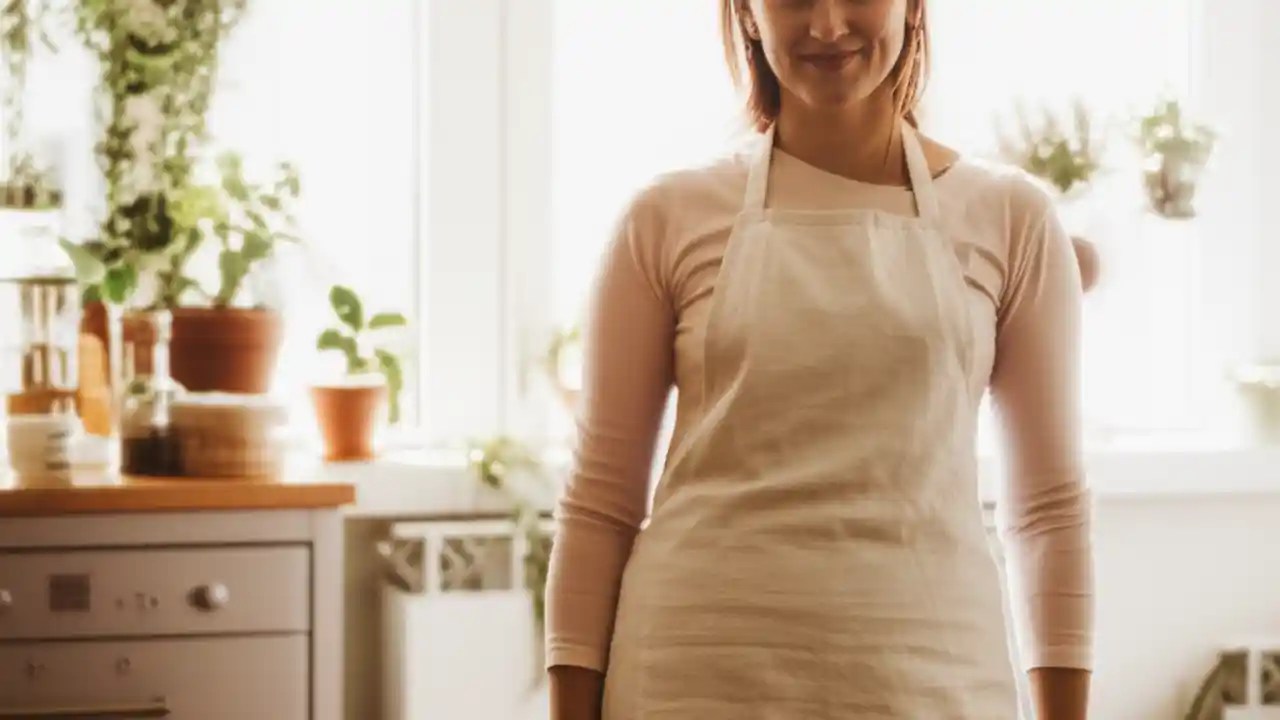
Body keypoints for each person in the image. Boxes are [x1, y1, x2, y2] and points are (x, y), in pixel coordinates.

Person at [544, 0, 1095, 718]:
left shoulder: (1012, 219)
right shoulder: (666, 217)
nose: (828, 24)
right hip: (691, 677)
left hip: (935, 682)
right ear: (746, 13)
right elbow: (599, 505)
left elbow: (1048, 509)